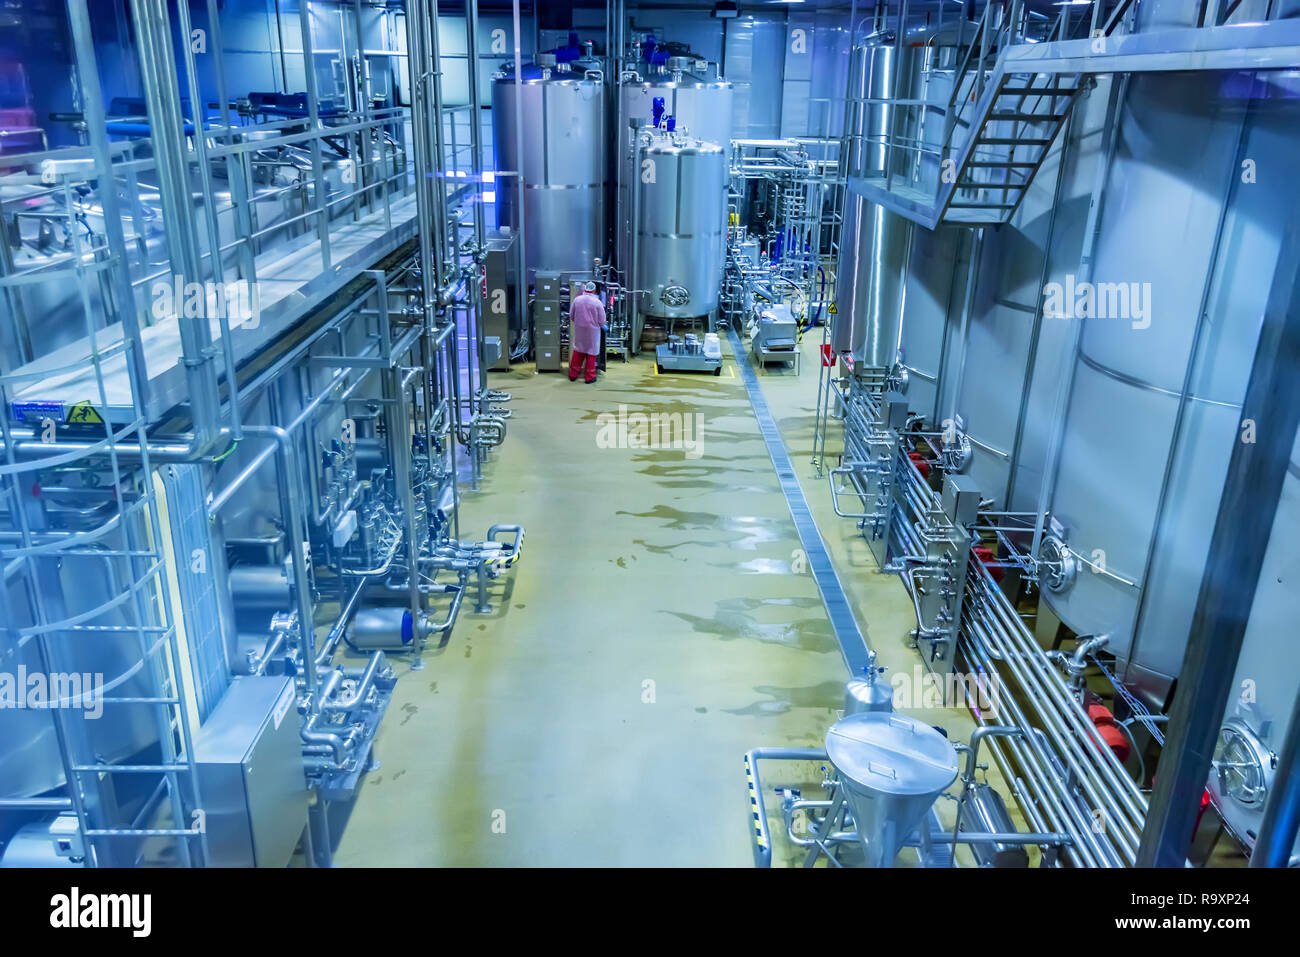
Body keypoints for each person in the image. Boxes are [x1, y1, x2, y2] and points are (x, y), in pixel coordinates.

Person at [568, 281, 606, 384]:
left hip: (580, 330)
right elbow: (601, 319)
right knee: (591, 353)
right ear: (594, 290)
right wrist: (603, 326)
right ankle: (590, 377)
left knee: (578, 351)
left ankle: (573, 375)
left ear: (585, 289)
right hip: (593, 332)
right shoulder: (597, 302)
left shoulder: (577, 300)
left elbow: (571, 315)